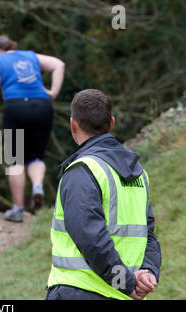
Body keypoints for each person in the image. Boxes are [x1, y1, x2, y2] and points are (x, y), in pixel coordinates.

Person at [46, 89, 162, 300]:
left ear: (73, 124)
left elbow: (91, 238)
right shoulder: (139, 175)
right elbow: (149, 235)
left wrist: (127, 282)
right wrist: (148, 273)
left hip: (78, 291)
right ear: (112, 124)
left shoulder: (82, 170)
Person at [0, 35, 65, 221]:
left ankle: (18, 209)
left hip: (16, 106)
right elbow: (59, 64)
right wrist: (53, 92)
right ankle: (37, 187)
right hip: (42, 105)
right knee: (36, 155)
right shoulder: (31, 56)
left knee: (16, 160)